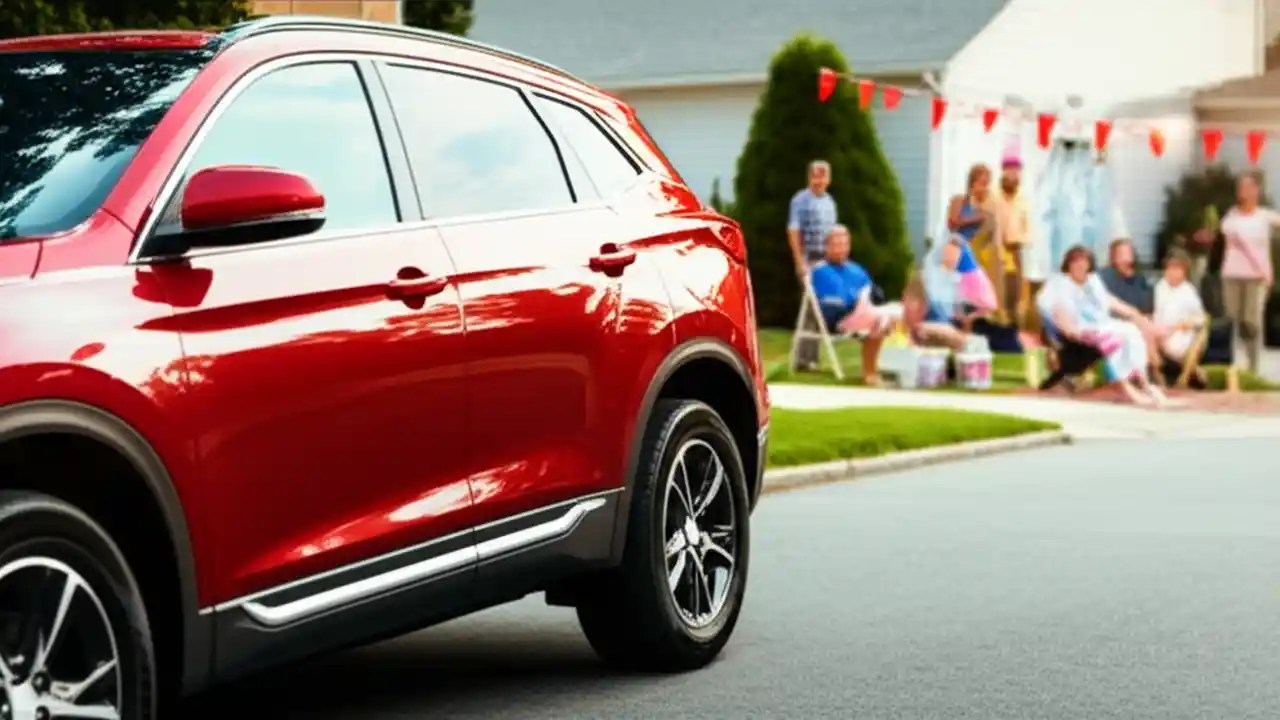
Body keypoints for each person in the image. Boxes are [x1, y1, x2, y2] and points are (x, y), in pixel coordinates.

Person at [1037, 245, 1171, 407]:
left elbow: (1111, 302)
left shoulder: (1092, 282)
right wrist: (1073, 332)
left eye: (1083, 262)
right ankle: (1124, 386)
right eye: (1075, 262)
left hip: (1099, 325)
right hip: (1076, 330)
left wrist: (1137, 316)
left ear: (1089, 265)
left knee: (1132, 332)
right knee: (1115, 339)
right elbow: (1059, 313)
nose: (1080, 266)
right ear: (1068, 265)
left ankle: (1142, 381)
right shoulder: (1060, 284)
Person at [810, 225, 890, 385]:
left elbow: (873, 293)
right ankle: (870, 373)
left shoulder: (857, 270)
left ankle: (871, 372)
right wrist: (858, 301)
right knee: (878, 321)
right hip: (838, 318)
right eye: (837, 244)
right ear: (827, 247)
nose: (841, 249)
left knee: (883, 319)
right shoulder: (820, 271)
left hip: (862, 313)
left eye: (844, 244)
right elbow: (834, 302)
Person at [1219, 170, 1280, 374]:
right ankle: (1232, 366)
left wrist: (1267, 270)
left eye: (1248, 187)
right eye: (1241, 187)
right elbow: (1228, 240)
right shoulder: (1231, 218)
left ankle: (1253, 367)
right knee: (1232, 319)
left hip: (1256, 277)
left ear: (1256, 190)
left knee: (1251, 321)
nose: (1243, 191)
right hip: (1233, 275)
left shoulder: (1264, 216)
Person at [788, 159, 838, 371]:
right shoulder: (800, 200)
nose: (819, 180)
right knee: (809, 308)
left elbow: (832, 235)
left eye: (823, 176)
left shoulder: (830, 203)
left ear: (828, 179)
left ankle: (813, 358)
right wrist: (800, 262)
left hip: (825, 261)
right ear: (810, 177)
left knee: (820, 309)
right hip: (808, 258)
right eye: (815, 176)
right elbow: (793, 231)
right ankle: (803, 359)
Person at [947, 163, 1006, 321]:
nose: (985, 188)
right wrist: (973, 218)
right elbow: (953, 223)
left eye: (987, 184)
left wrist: (974, 218)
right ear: (972, 184)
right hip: (952, 251)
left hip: (968, 256)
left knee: (978, 300)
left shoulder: (984, 212)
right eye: (982, 184)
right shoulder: (959, 201)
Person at [1152, 248, 1208, 387]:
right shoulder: (1160, 288)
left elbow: (1200, 318)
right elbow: (1157, 316)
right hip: (1165, 335)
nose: (1173, 272)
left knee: (1201, 334)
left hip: (1185, 333)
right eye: (1170, 268)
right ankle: (1193, 371)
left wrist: (1186, 324)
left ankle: (1183, 378)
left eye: (1177, 268)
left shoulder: (1189, 290)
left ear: (1184, 271)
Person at [993, 152, 1031, 323]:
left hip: (1015, 256)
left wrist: (1018, 241)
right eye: (1009, 171)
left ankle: (1012, 329)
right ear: (1002, 171)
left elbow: (1027, 231)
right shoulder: (993, 198)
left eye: (1016, 171)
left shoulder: (1023, 201)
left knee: (1014, 298)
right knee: (996, 300)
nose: (1012, 175)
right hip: (994, 256)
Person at [1098, 238, 1154, 315]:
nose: (1127, 259)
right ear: (1113, 259)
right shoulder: (1105, 278)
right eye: (1122, 255)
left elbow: (1147, 305)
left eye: (1129, 254)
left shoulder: (1139, 279)